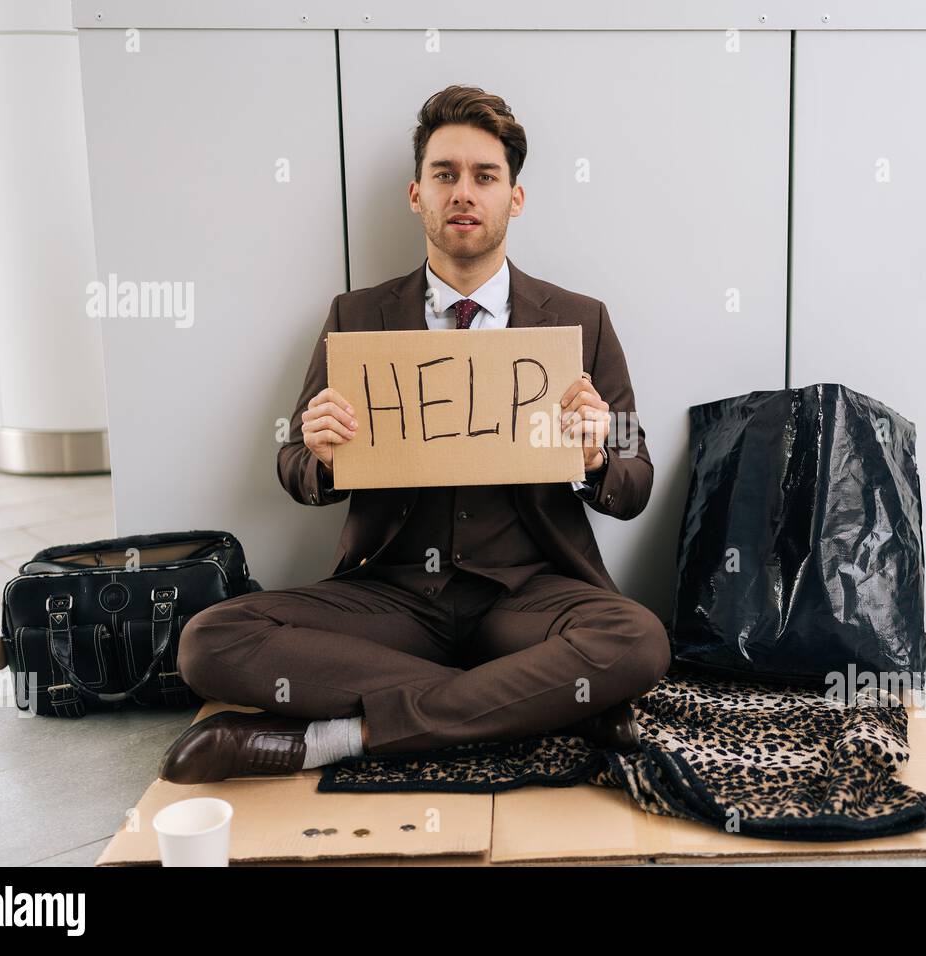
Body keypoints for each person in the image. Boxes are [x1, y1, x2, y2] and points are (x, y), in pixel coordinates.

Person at [160, 85, 668, 783]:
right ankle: (540, 703)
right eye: (445, 175)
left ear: (514, 199)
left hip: (527, 595)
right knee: (209, 640)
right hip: (395, 597)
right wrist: (320, 454)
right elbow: (292, 467)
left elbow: (636, 481)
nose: (465, 192)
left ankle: (332, 741)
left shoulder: (583, 320)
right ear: (416, 195)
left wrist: (592, 457)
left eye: (485, 176)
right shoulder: (358, 315)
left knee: (636, 640)